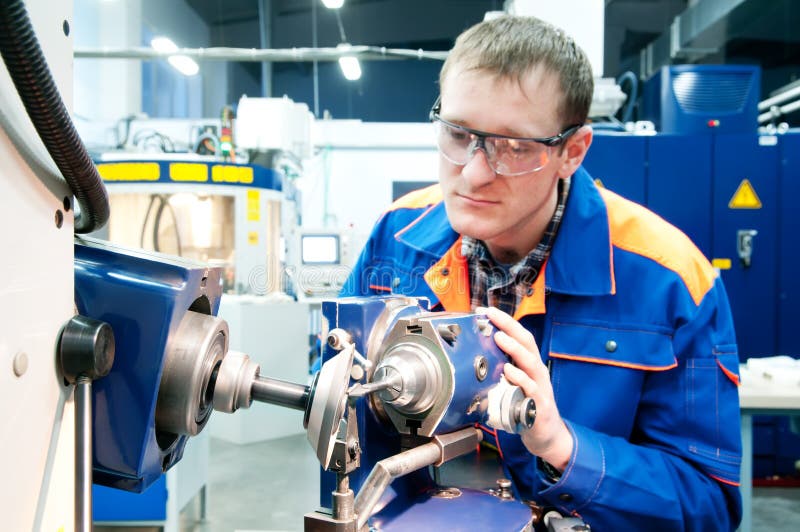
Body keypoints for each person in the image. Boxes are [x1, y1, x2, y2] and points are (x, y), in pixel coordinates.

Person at [341, 15, 742, 531]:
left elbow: (709, 505)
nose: (476, 171)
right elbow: (337, 389)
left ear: (572, 152)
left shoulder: (671, 281)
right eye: (459, 135)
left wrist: (561, 445)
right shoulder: (395, 240)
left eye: (513, 147)